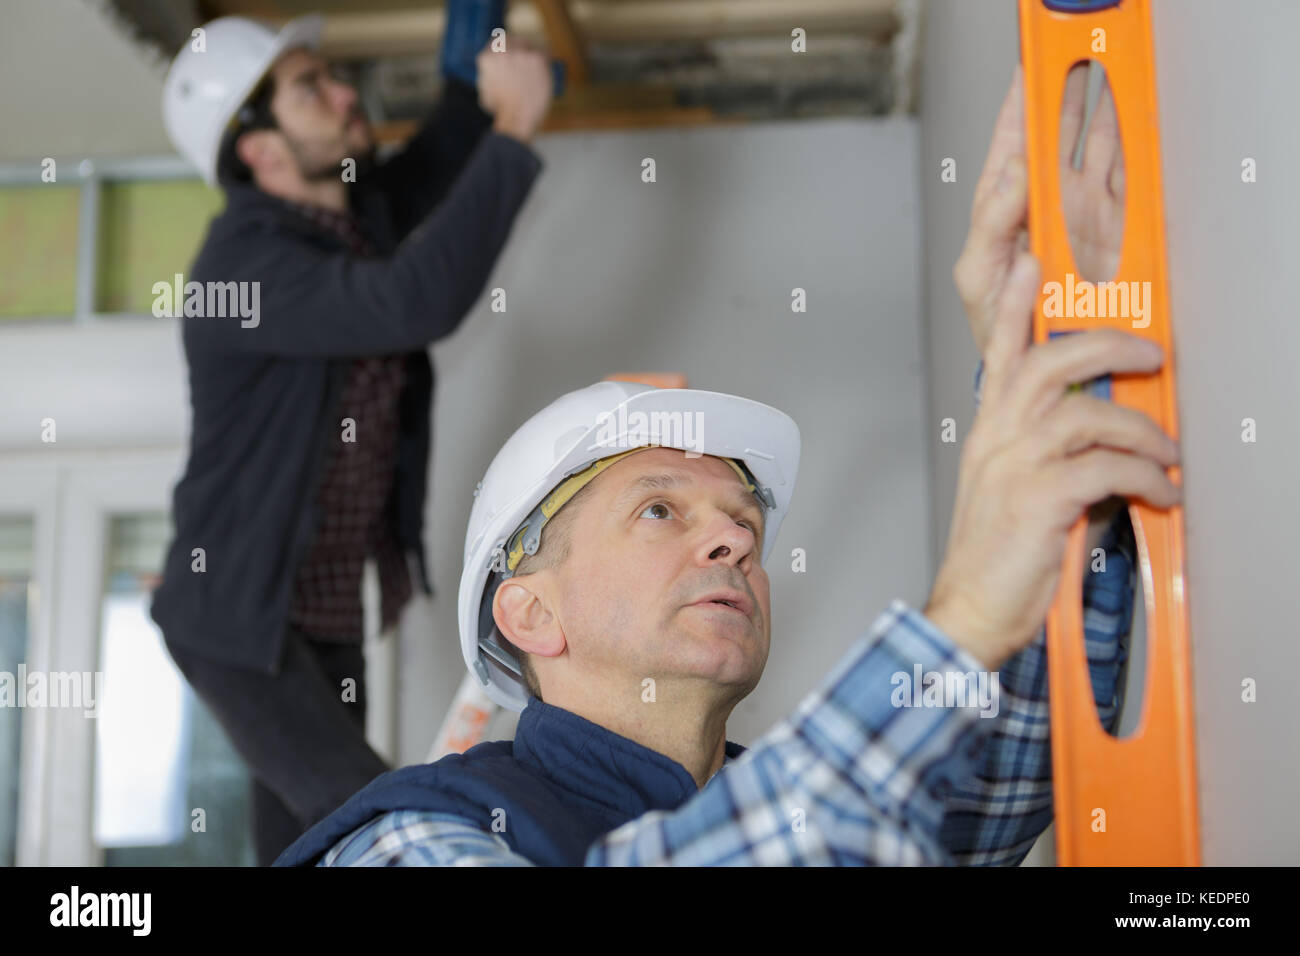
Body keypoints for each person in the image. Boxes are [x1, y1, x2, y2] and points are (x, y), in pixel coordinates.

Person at [274, 65, 1174, 866]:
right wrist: (962, 621)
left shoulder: (800, 805)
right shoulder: (416, 838)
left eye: (742, 520)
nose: (734, 543)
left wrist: (1058, 342)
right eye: (660, 510)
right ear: (531, 611)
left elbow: (1004, 767)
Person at [148, 13, 553, 864]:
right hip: (236, 623)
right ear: (255, 150)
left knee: (309, 845)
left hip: (322, 617)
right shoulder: (245, 267)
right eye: (309, 88)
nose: (344, 91)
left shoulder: (350, 217)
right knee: (381, 820)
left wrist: (474, 51)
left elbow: (442, 155)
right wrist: (517, 126)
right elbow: (413, 300)